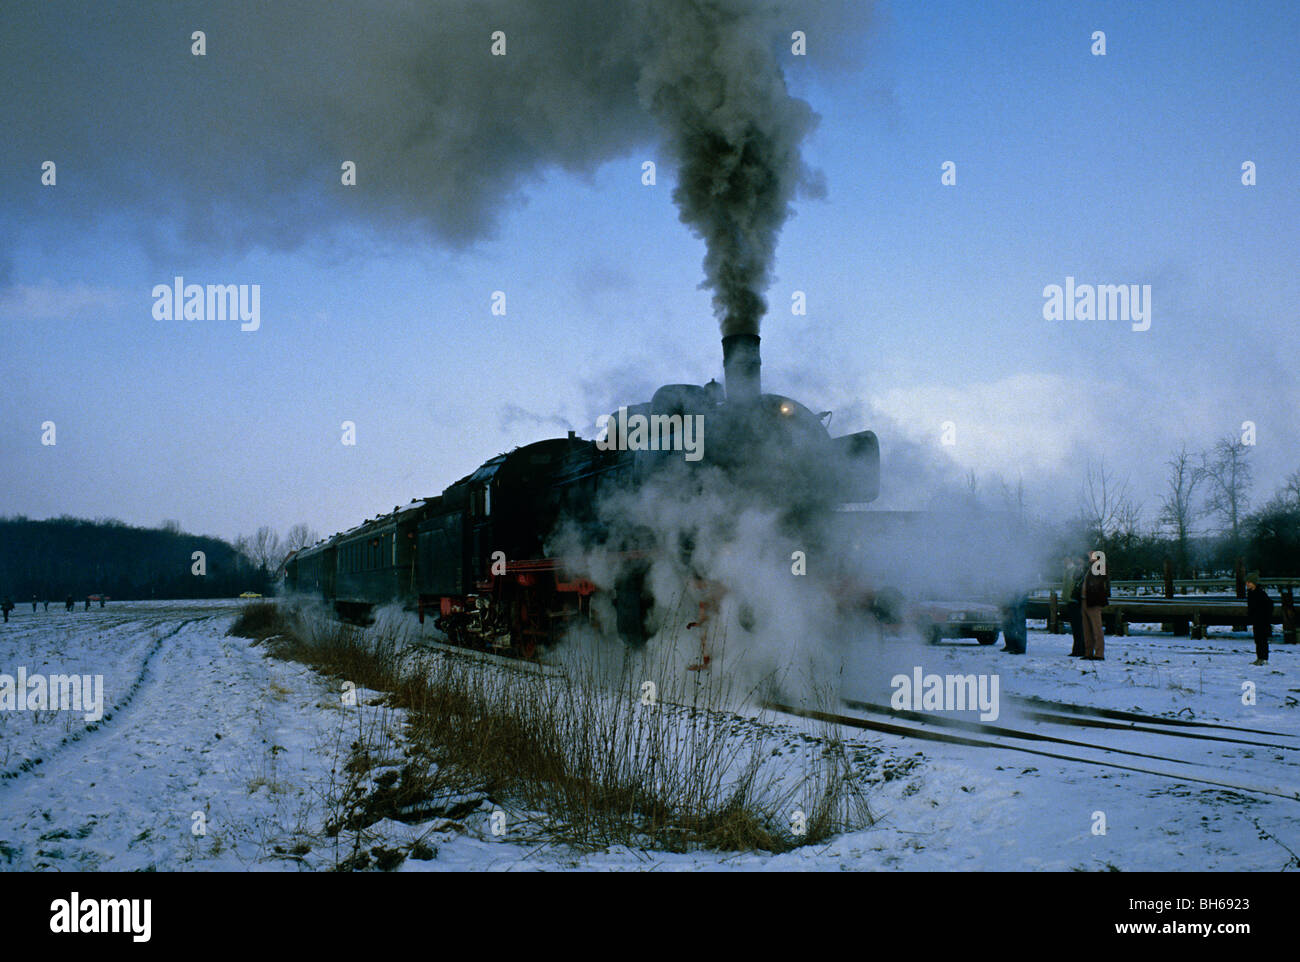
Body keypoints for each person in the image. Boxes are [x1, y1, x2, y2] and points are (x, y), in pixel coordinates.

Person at [1081, 550, 1109, 661]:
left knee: (1097, 629)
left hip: (1094, 601)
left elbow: (1100, 580)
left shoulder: (1100, 567)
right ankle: (1088, 652)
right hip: (1085, 600)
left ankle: (1099, 653)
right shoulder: (1089, 568)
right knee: (1087, 629)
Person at [1246, 572, 1273, 666]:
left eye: (1249, 582)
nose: (1247, 584)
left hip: (1262, 620)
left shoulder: (1260, 593)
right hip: (1256, 620)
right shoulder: (1251, 593)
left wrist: (1264, 617)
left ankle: (1264, 658)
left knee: (1262, 640)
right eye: (1247, 582)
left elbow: (1269, 605)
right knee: (1258, 639)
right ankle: (1259, 658)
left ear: (1254, 583)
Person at [1063, 554, 1086, 656]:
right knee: (1075, 627)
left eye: (1065, 559)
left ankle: (1080, 649)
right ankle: (1077, 649)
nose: (1063, 561)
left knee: (1078, 627)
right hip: (1070, 600)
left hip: (1074, 601)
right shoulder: (1068, 571)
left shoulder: (1075, 571)